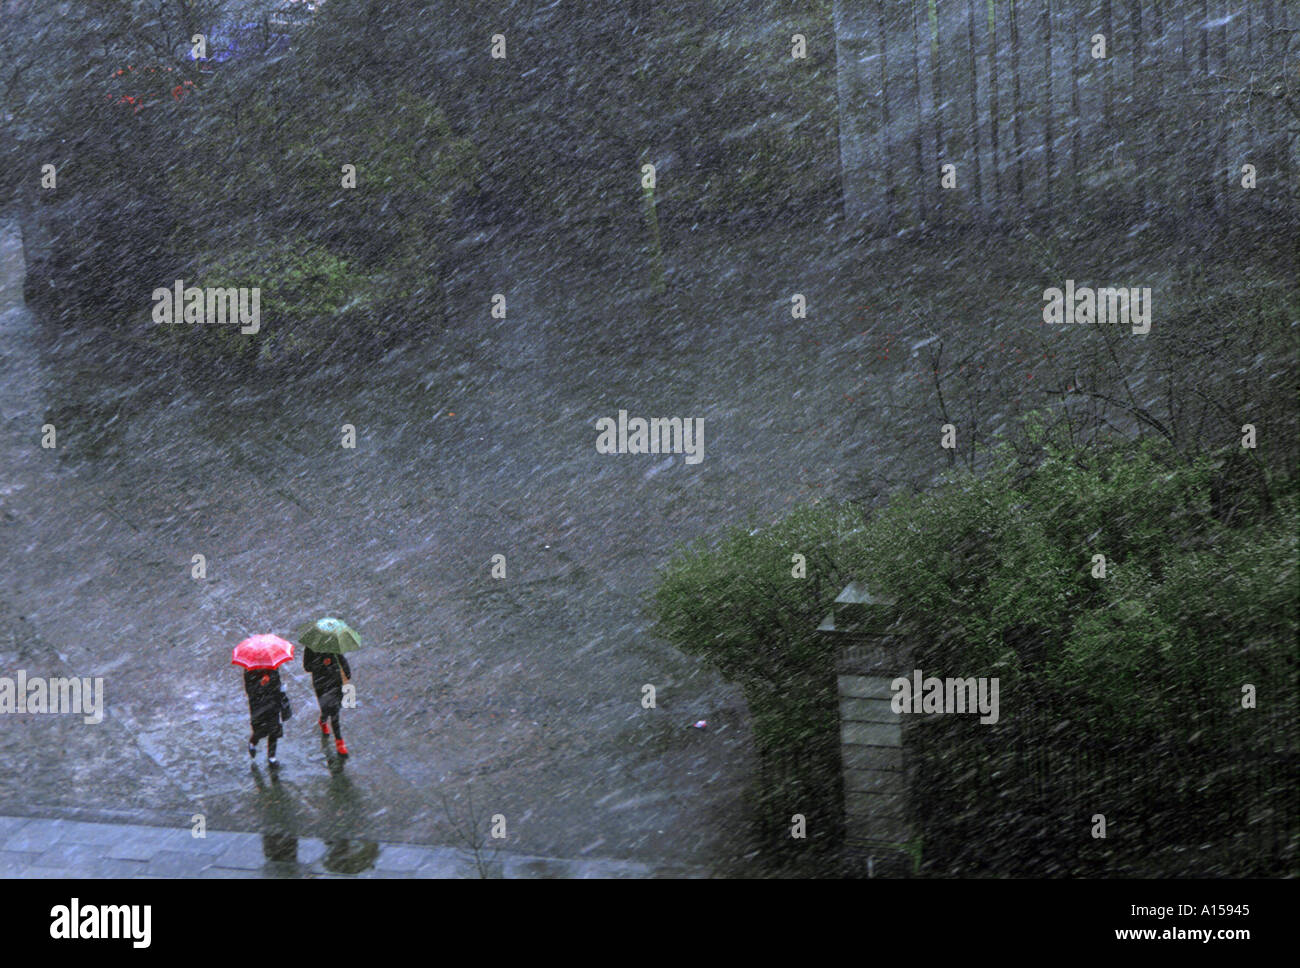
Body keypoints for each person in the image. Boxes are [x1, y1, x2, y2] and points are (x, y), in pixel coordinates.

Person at [303, 646, 351, 757]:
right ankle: (339, 740)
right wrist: (321, 663)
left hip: (334, 680)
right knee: (329, 710)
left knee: (335, 709)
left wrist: (346, 671)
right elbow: (307, 667)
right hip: (321, 683)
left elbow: (341, 657)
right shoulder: (310, 646)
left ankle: (325, 722)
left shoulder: (332, 642)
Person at [244, 666, 286, 765]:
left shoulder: (273, 667)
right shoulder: (250, 670)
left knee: (274, 730)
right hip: (259, 706)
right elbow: (250, 690)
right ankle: (253, 742)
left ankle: (272, 757)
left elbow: (277, 681)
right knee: (260, 731)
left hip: (273, 704)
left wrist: (280, 689)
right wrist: (261, 684)